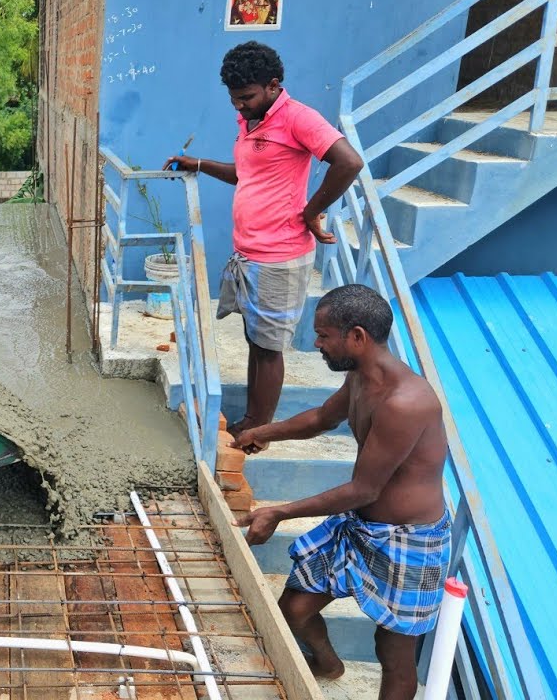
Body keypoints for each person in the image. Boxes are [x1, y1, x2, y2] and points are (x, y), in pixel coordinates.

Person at [232, 284, 451, 700]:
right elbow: (320, 418)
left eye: (323, 335)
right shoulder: (360, 377)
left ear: (357, 337)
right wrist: (260, 433)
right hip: (360, 525)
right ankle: (329, 664)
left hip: (409, 539)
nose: (316, 344)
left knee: (393, 652)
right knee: (295, 608)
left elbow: (364, 489)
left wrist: (280, 512)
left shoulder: (406, 402)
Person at [164, 42, 364, 436]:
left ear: (273, 86)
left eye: (247, 97)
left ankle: (259, 428)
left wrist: (310, 210)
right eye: (234, 99)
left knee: (269, 347)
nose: (239, 106)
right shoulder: (251, 122)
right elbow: (246, 174)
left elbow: (349, 162)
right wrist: (199, 164)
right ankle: (254, 419)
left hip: (280, 255)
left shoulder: (297, 118)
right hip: (249, 253)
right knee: (255, 339)